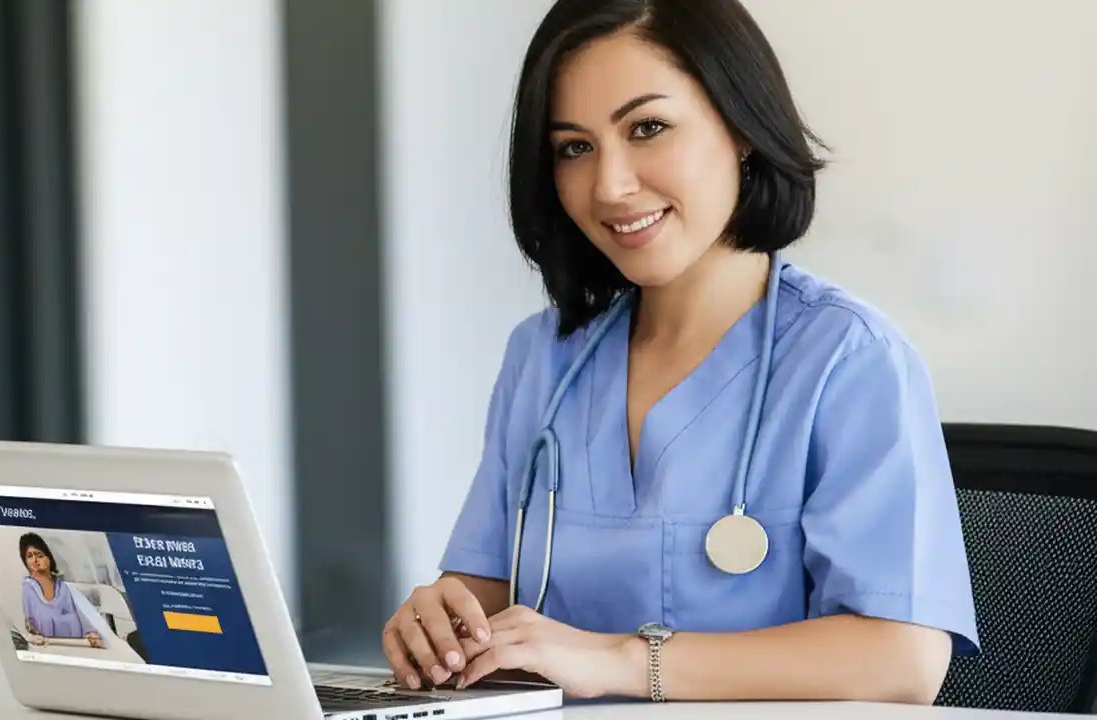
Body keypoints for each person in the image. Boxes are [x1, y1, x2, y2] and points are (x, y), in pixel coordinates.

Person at [381, 0, 979, 705]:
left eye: (647, 128)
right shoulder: (543, 358)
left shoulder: (849, 360)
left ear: (742, 128)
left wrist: (622, 661)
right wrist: (439, 627)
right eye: (574, 147)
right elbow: (483, 603)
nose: (609, 186)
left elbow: (902, 662)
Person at [19, 533, 104, 649]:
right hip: (48, 649)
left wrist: (91, 633)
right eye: (29, 556)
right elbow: (33, 626)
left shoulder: (65, 587)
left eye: (39, 555)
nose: (35, 560)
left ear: (49, 557)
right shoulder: (28, 589)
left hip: (78, 647)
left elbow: (84, 616)